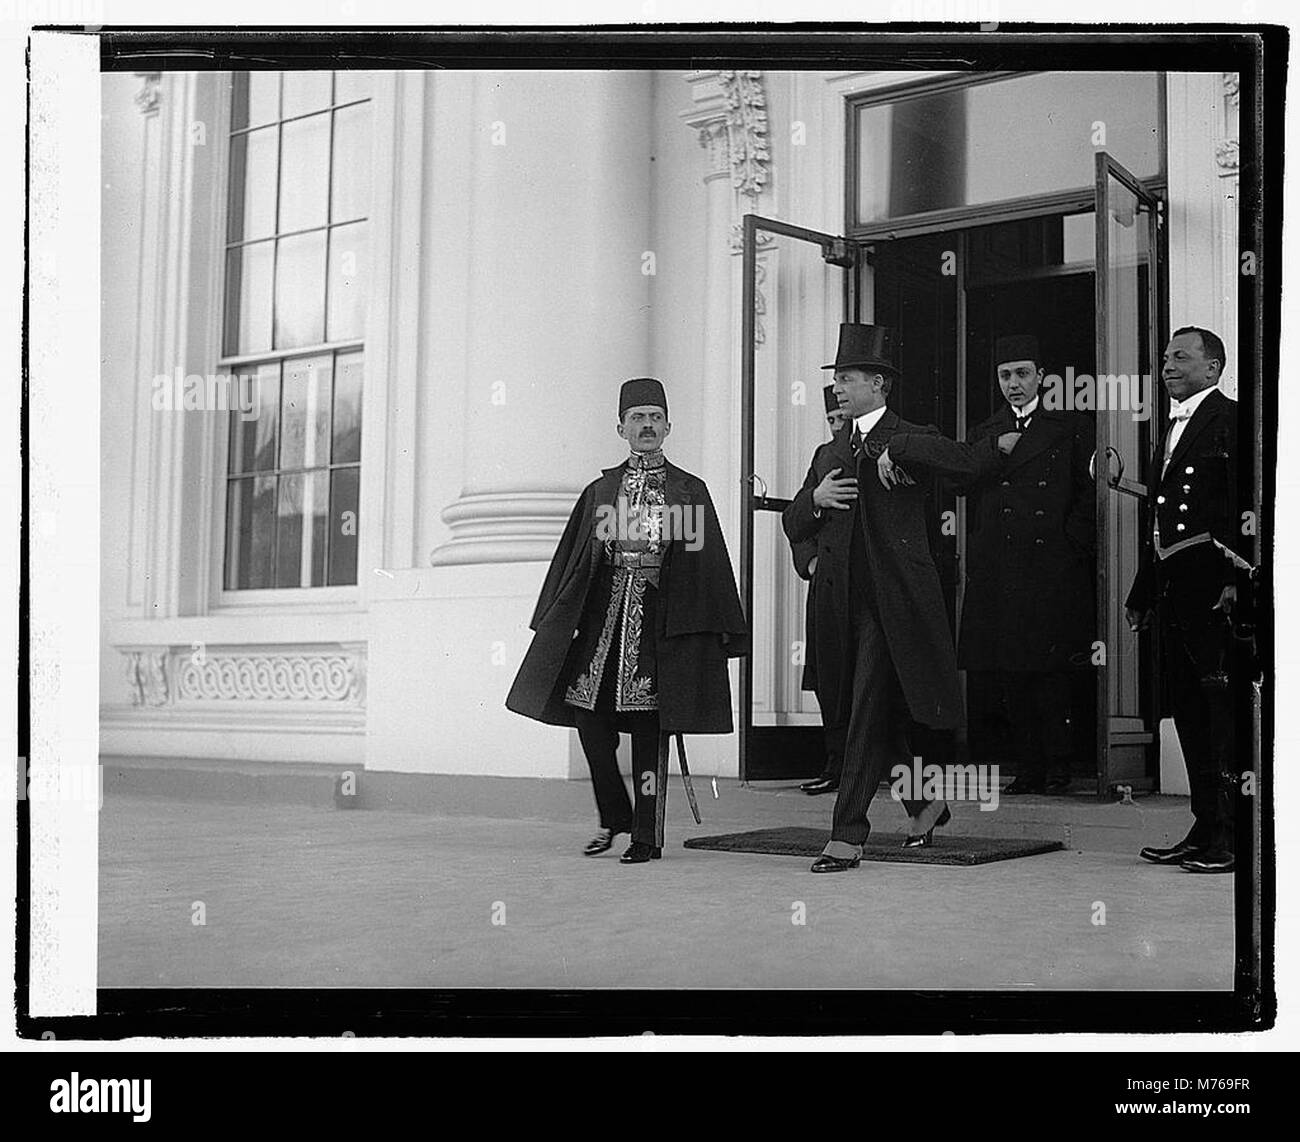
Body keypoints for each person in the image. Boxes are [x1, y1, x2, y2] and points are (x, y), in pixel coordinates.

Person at [784, 323, 1001, 873]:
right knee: (868, 712)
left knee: (863, 712)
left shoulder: (913, 436)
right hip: (840, 605)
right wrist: (815, 498)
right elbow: (792, 521)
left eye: (848, 379)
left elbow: (971, 462)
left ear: (879, 385)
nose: (837, 388)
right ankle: (925, 803)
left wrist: (896, 447)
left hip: (892, 606)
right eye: (836, 379)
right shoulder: (829, 450)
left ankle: (847, 834)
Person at [506, 377, 748, 864]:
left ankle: (645, 835)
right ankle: (614, 817)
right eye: (637, 418)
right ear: (621, 428)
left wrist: (702, 624)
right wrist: (562, 619)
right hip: (604, 627)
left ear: (668, 427)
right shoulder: (602, 490)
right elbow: (576, 560)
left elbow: (705, 563)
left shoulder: (687, 491)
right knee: (591, 725)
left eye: (655, 418)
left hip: (660, 628)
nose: (646, 426)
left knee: (646, 733)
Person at [888, 334, 1096, 794]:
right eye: (1005, 376)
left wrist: (1070, 547)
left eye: (1023, 374)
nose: (1014, 384)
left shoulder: (1070, 425)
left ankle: (1060, 765)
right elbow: (959, 483)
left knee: (1051, 671)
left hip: (1050, 566)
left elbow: (1086, 496)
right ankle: (1030, 766)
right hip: (1001, 569)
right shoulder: (985, 433)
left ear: (1041, 376)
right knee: (1012, 671)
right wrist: (992, 450)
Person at [1127, 327, 1251, 874]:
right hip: (1177, 589)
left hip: (1216, 589)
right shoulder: (1172, 427)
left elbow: (1250, 507)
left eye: (1181, 356)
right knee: (1190, 714)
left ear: (1214, 368)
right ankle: (1205, 827)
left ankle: (1229, 837)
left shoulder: (1235, 418)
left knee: (1221, 713)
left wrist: (1241, 581)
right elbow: (1160, 519)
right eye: (1166, 357)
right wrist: (1143, 592)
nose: (1168, 365)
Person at [790, 384, 849, 796]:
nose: (836, 426)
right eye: (830, 420)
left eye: (841, 419)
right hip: (828, 582)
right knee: (830, 677)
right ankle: (836, 763)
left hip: (860, 583)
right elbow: (797, 517)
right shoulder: (823, 457)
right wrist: (809, 560)